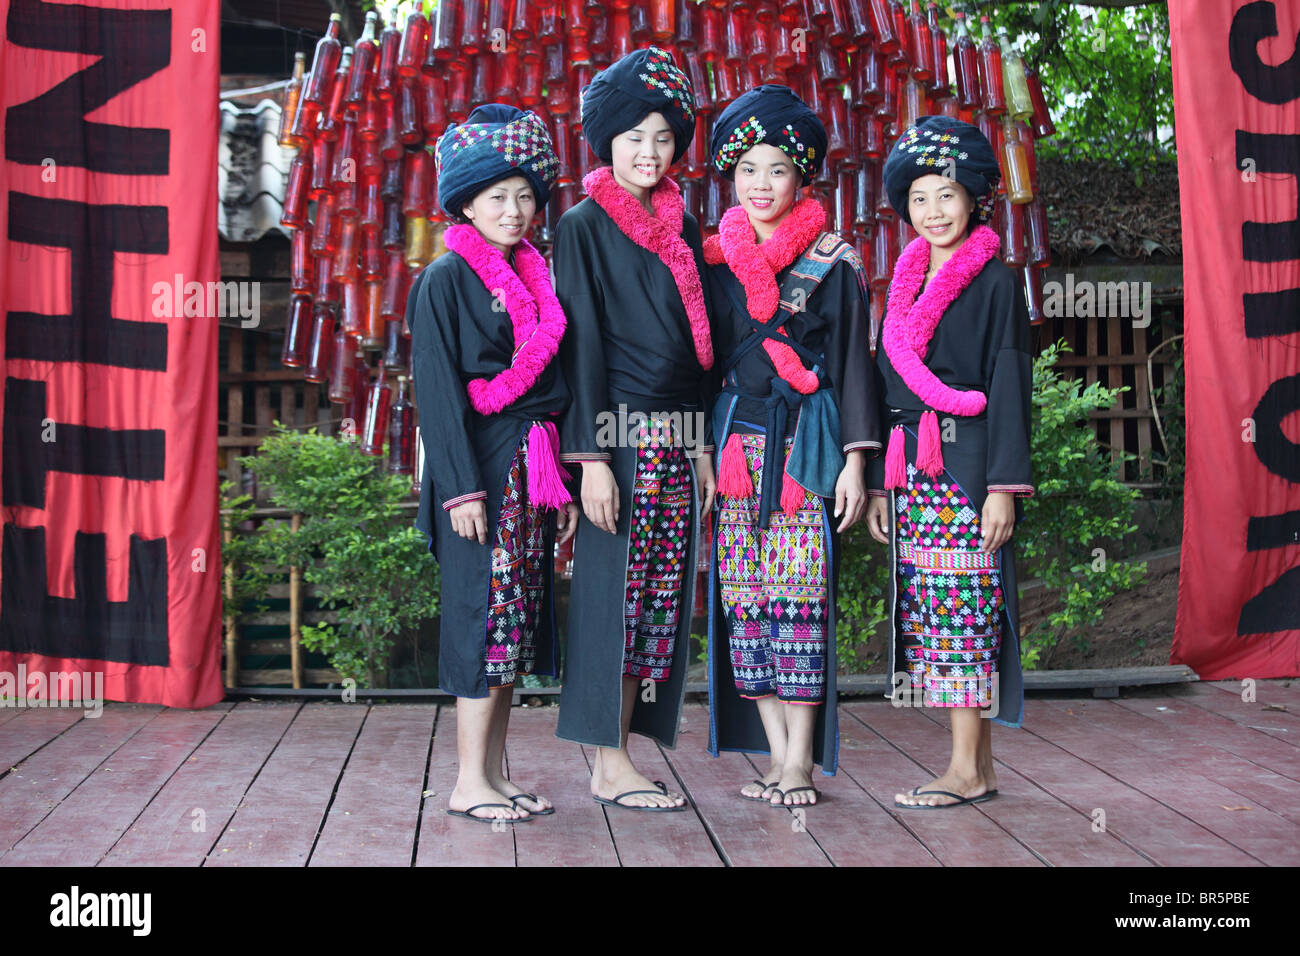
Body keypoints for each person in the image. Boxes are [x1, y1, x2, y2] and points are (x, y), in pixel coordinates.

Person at [701, 85, 880, 806]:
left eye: (777, 169)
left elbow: (857, 367)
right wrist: (699, 453)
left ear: (803, 177)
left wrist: (857, 463)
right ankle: (776, 757)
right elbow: (703, 364)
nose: (761, 184)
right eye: (747, 169)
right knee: (746, 606)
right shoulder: (714, 262)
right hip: (734, 451)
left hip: (805, 449)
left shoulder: (835, 263)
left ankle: (802, 760)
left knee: (798, 604)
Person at [552, 47, 718, 811]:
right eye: (634, 138)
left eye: (662, 138)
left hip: (679, 440)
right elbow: (578, 341)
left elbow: (709, 340)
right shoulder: (582, 225)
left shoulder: (686, 223)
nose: (649, 153)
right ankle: (608, 759)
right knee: (612, 596)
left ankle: (619, 751)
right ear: (606, 142)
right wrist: (587, 457)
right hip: (617, 437)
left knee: (657, 601)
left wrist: (706, 442)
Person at [409, 104, 578, 823]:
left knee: (513, 624)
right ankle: (467, 781)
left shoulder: (535, 276)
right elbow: (438, 396)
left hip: (529, 471)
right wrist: (459, 491)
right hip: (476, 474)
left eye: (525, 195)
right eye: (496, 196)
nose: (514, 209)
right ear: (466, 203)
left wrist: (562, 478)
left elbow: (555, 386)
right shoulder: (444, 279)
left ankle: (497, 774)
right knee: (481, 620)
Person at [865, 115, 1034, 809]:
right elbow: (883, 387)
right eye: (920, 198)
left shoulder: (996, 283)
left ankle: (964, 768)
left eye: (948, 195)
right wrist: (879, 482)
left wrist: (1003, 486)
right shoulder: (902, 283)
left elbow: (1011, 383)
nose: (934, 211)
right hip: (912, 469)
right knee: (936, 613)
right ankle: (978, 766)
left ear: (975, 201)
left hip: (966, 472)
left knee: (965, 612)